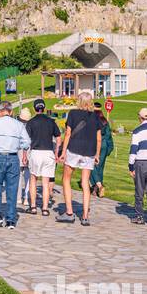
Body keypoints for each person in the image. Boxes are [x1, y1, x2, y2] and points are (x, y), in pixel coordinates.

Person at [0, 102, 31, 229]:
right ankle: (10, 219)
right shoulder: (19, 124)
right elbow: (27, 142)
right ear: (10, 111)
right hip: (13, 157)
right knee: (12, 188)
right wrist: (17, 145)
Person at [58, 89, 102, 225]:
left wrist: (63, 152)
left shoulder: (73, 113)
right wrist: (97, 154)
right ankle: (85, 216)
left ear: (79, 101)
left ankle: (69, 212)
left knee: (66, 179)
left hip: (74, 149)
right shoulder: (95, 117)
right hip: (89, 151)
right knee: (85, 183)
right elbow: (99, 138)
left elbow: (68, 133)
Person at [25, 99, 61, 217]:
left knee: (33, 180)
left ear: (35, 109)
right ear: (44, 108)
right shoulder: (51, 122)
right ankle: (45, 208)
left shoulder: (31, 122)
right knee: (46, 182)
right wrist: (56, 153)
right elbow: (58, 138)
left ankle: (33, 206)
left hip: (35, 152)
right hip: (48, 153)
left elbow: (26, 141)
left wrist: (25, 155)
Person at [91, 112, 114, 197]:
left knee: (91, 166)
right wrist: (110, 148)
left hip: (94, 143)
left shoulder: (92, 120)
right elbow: (108, 136)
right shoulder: (104, 122)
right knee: (100, 167)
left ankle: (98, 186)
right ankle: (96, 189)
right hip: (104, 145)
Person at [16, 107, 34, 210]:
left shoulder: (17, 126)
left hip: (19, 151)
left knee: (18, 176)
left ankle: (18, 197)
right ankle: (26, 197)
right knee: (28, 177)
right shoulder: (31, 126)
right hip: (29, 152)